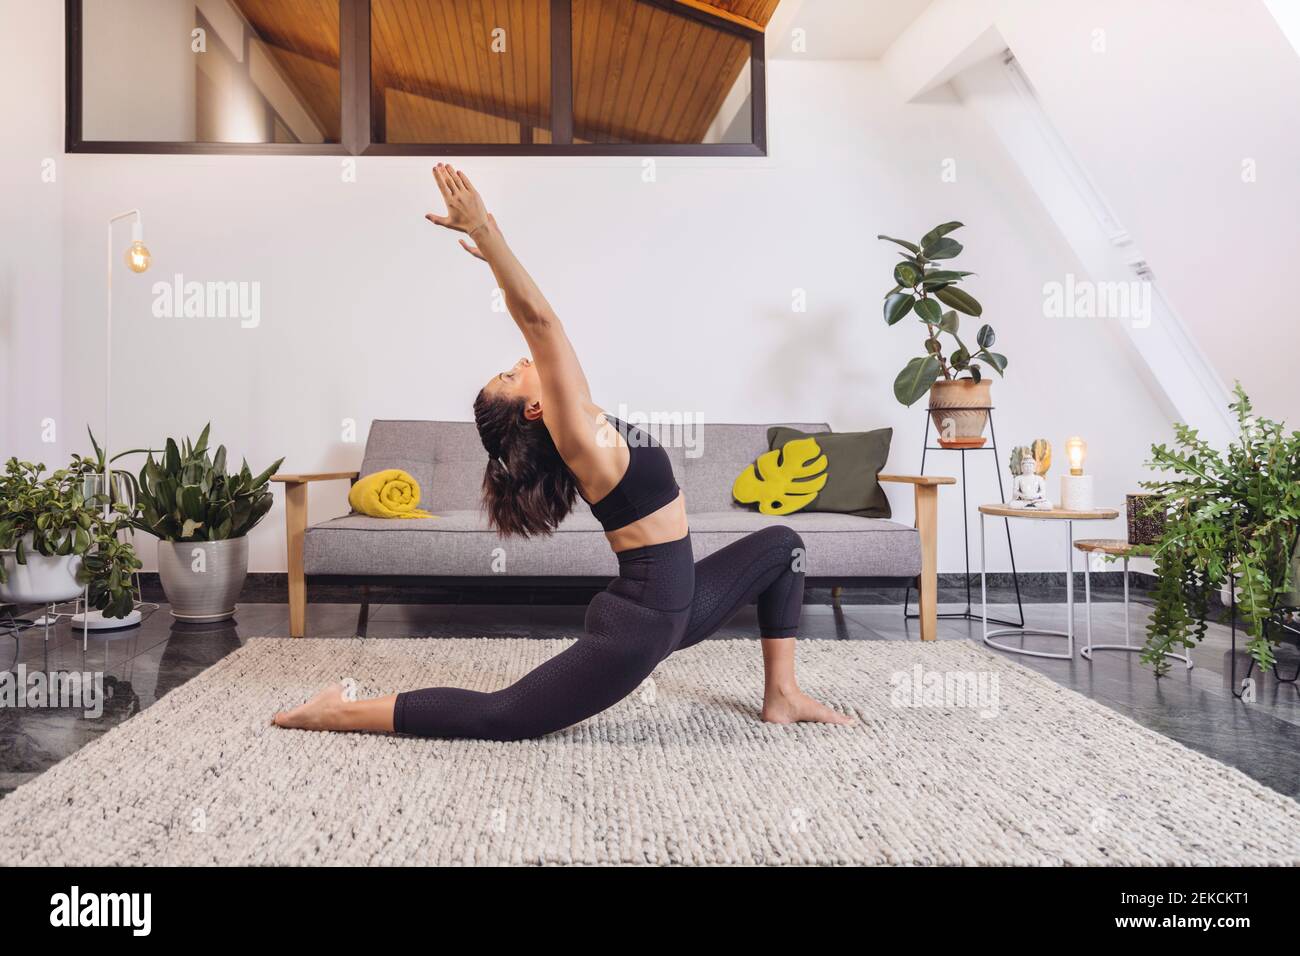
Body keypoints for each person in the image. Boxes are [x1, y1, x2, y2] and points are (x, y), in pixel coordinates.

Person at [273, 165, 852, 739]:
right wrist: (486, 232)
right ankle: (335, 712)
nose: (521, 362)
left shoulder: (586, 417)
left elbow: (543, 324)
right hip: (643, 623)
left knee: (783, 546)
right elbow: (542, 323)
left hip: (683, 606)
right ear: (533, 411)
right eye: (509, 373)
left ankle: (782, 695)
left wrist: (501, 268)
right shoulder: (575, 433)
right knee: (503, 718)